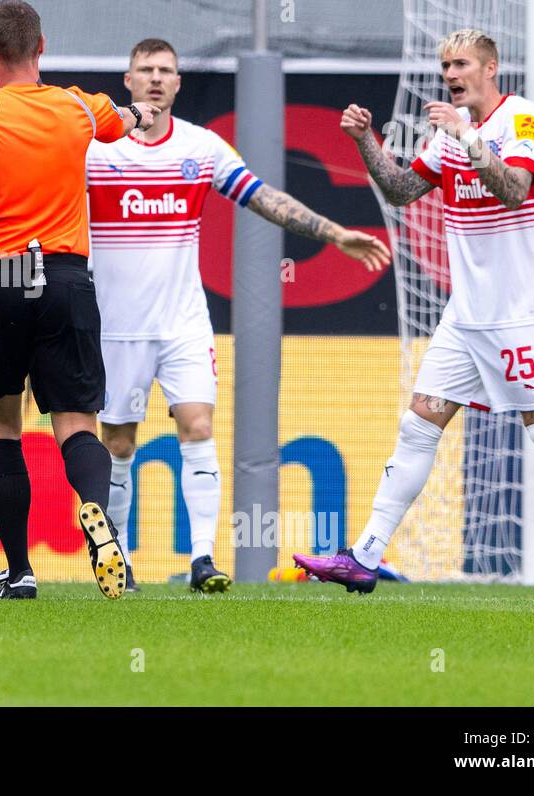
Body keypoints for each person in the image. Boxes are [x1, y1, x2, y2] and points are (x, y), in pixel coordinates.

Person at [294, 28, 534, 599]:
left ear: (491, 68)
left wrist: (468, 139)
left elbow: (514, 189)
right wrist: (366, 141)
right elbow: (400, 189)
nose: (451, 74)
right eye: (445, 66)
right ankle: (362, 558)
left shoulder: (521, 120)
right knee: (418, 425)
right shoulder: (448, 133)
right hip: (465, 318)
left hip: (517, 316)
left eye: (460, 64)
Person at [88, 38, 389, 592]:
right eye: (146, 70)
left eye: (167, 71)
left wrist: (332, 233)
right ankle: (120, 561)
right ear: (126, 81)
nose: (156, 79)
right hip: (116, 326)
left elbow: (262, 197)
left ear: (178, 84)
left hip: (182, 323)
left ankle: (202, 560)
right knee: (118, 442)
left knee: (197, 426)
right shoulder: (95, 152)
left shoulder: (201, 148)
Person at [0, 0, 159, 600]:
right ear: (43, 48)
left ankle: (20, 571)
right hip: (66, 277)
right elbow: (129, 121)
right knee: (77, 424)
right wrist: (138, 109)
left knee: (3, 426)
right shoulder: (79, 106)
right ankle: (98, 517)